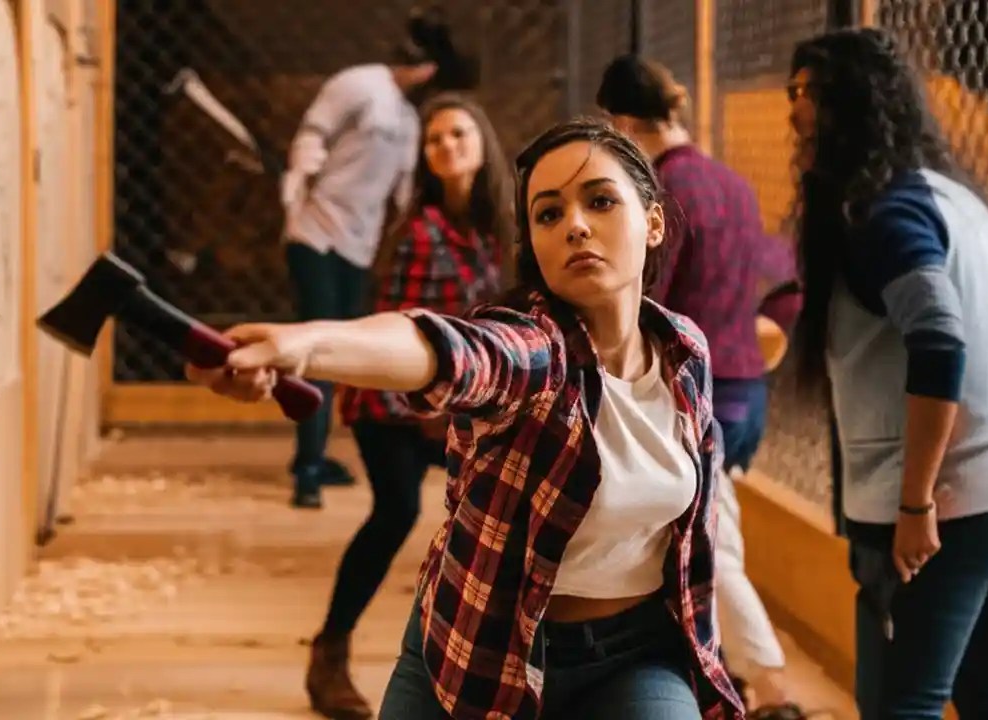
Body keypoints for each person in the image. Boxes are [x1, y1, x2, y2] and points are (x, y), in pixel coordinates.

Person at [187, 118, 744, 719]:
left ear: (654, 221)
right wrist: (309, 344)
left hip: (634, 657)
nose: (576, 225)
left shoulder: (685, 350)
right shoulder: (537, 352)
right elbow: (451, 347)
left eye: (601, 201)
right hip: (479, 648)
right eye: (549, 215)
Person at [787, 28, 988, 718]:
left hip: (949, 505)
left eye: (806, 93)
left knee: (902, 704)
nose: (793, 111)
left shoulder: (882, 213)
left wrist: (917, 503)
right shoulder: (954, 199)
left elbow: (939, 338)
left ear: (849, 104)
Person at [596, 55, 805, 719]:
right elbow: (784, 280)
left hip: (695, 395)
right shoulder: (733, 182)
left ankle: (775, 691)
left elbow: (639, 300)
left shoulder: (659, 192)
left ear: (622, 121)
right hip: (748, 387)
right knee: (706, 537)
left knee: (718, 550)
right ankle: (730, 680)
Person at [305, 93, 514, 720]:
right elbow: (395, 326)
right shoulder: (417, 230)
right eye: (436, 140)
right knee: (396, 511)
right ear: (424, 158)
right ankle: (329, 653)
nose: (448, 147)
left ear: (482, 142)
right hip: (392, 399)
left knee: (487, 524)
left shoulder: (501, 227)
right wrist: (431, 408)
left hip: (464, 398)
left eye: (459, 135)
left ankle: (473, 668)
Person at [279, 8, 478, 508]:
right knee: (317, 351)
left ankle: (314, 454)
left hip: (359, 244)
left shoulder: (409, 120)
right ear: (430, 70)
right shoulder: (359, 84)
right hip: (318, 233)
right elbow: (313, 133)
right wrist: (299, 181)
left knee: (339, 351)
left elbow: (403, 188)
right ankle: (307, 470)